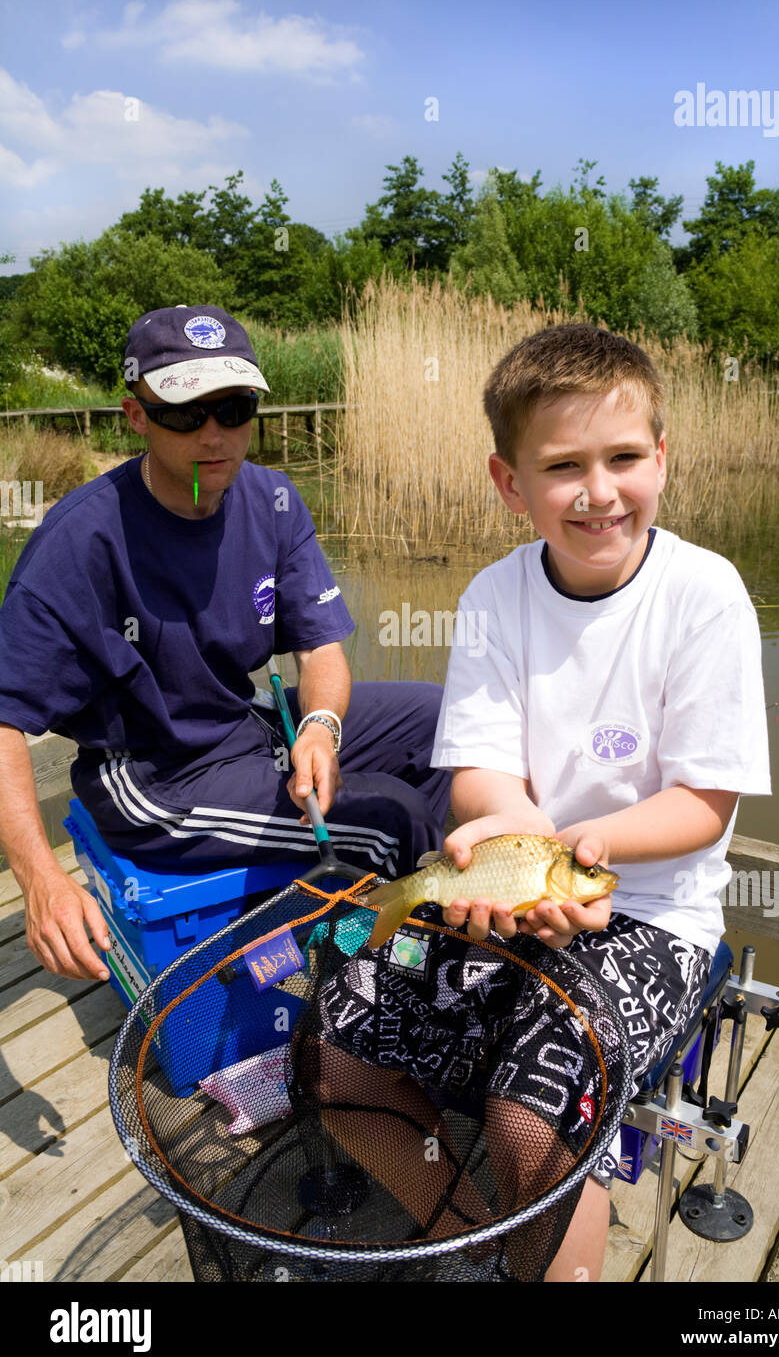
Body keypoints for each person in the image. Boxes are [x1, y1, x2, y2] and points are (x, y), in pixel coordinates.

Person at [304, 322, 771, 1281]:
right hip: (519, 879)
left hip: (651, 911)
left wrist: (585, 846)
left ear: (663, 460)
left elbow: (704, 803)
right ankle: (464, 1240)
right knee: (334, 1047)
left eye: (625, 458)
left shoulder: (706, 595)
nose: (600, 492)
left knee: (530, 1119)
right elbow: (480, 778)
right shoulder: (491, 597)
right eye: (563, 466)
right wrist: (508, 839)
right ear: (509, 482)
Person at [0, 304, 450, 984]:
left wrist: (322, 727)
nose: (214, 435)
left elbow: (322, 646)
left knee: (438, 717)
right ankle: (373, 970)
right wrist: (39, 880)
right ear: (137, 416)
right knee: (393, 819)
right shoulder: (78, 542)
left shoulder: (272, 498)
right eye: (186, 413)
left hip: (243, 726)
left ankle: (402, 936)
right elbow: (5, 722)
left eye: (235, 409)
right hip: (152, 773)